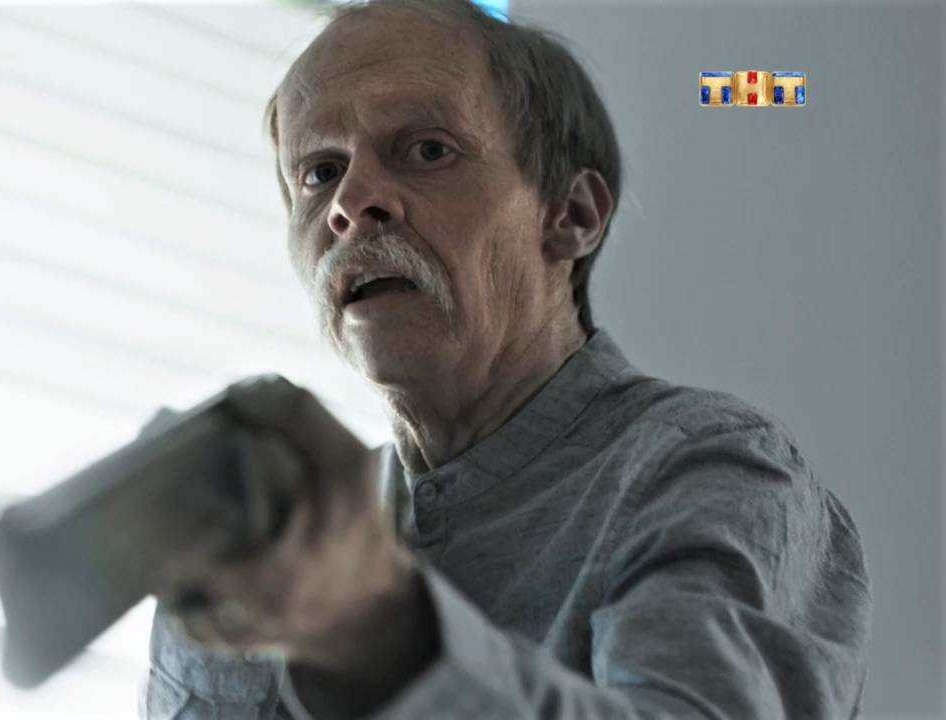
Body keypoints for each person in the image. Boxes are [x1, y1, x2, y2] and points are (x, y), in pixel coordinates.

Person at [139, 0, 873, 717]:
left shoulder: (714, 471)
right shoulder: (299, 532)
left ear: (572, 216)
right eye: (319, 173)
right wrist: (201, 619)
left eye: (428, 150)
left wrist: (381, 631)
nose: (351, 203)